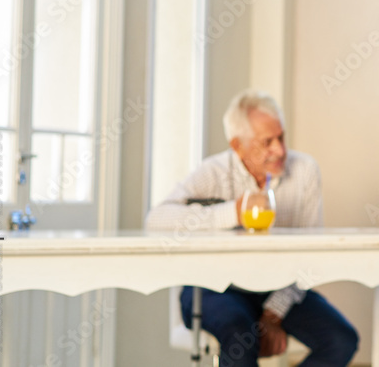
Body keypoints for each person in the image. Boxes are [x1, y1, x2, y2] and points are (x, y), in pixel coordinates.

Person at [145, 89, 358, 367]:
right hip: (216, 287)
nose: (280, 150)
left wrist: (273, 313)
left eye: (280, 137)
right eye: (266, 142)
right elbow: (157, 220)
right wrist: (233, 211)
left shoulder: (304, 171)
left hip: (278, 285)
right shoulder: (214, 172)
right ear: (237, 146)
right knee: (240, 333)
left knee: (341, 340)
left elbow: (310, 254)